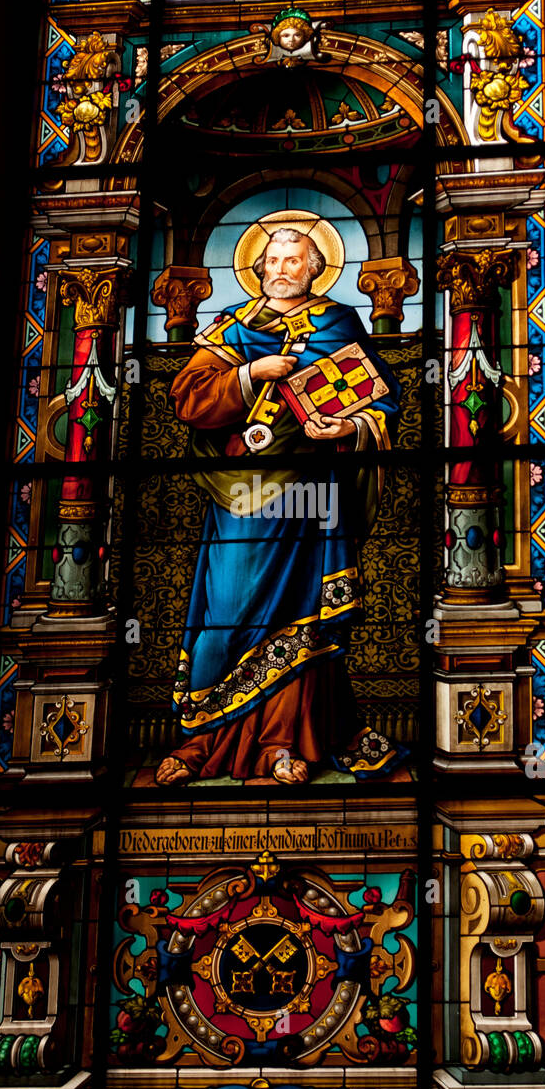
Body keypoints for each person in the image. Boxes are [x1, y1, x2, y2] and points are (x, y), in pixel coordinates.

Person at [153, 223, 405, 785]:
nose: (281, 268)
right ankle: (202, 745)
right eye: (272, 258)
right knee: (225, 615)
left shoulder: (338, 323)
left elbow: (381, 400)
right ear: (257, 265)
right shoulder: (231, 327)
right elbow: (189, 400)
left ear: (316, 268)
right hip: (239, 497)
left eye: (295, 260)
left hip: (310, 501)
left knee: (300, 616)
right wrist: (249, 375)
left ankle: (281, 745)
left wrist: (351, 426)